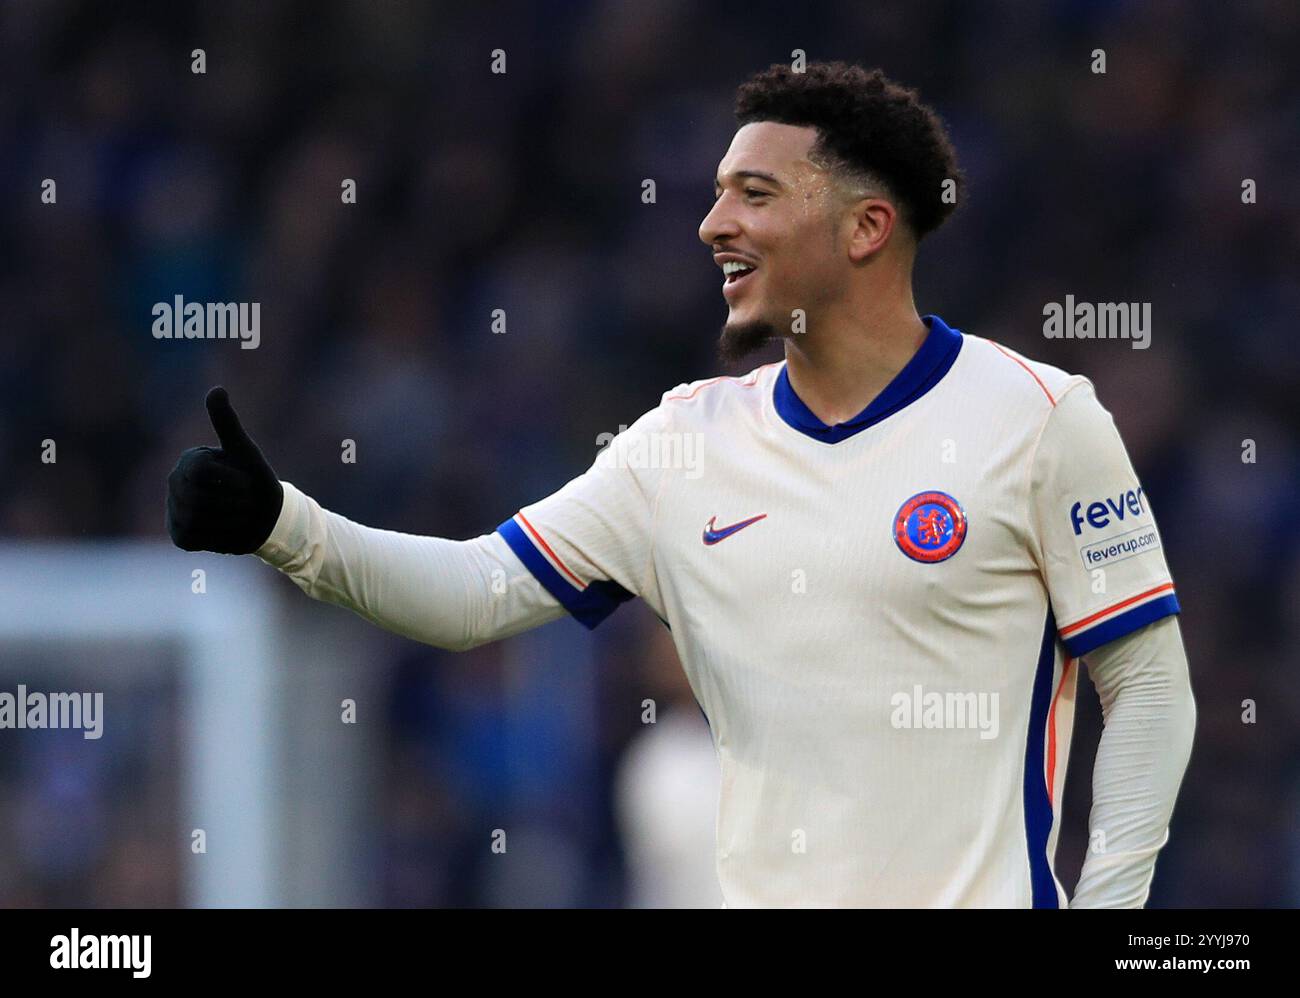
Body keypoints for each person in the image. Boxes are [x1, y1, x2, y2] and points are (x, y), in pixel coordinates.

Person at [167, 61, 1196, 908]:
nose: (710, 224)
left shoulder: (1038, 418)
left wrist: (1108, 909)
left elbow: (1146, 683)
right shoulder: (681, 445)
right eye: (715, 193)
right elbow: (474, 591)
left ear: (865, 228)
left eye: (753, 194)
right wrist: (282, 523)